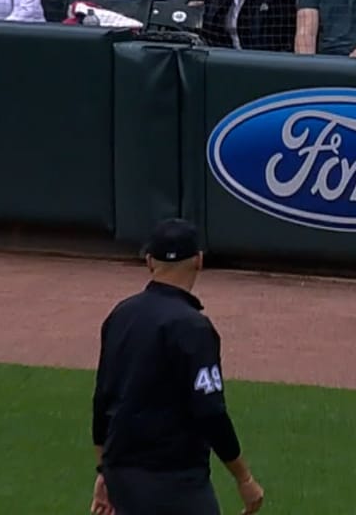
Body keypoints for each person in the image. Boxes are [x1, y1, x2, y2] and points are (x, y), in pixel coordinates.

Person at [91, 218, 265, 515]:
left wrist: (104, 470)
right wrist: (244, 478)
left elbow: (102, 402)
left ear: (149, 261)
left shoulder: (121, 315)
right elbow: (211, 412)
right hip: (174, 481)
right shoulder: (193, 328)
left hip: (123, 475)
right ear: (198, 260)